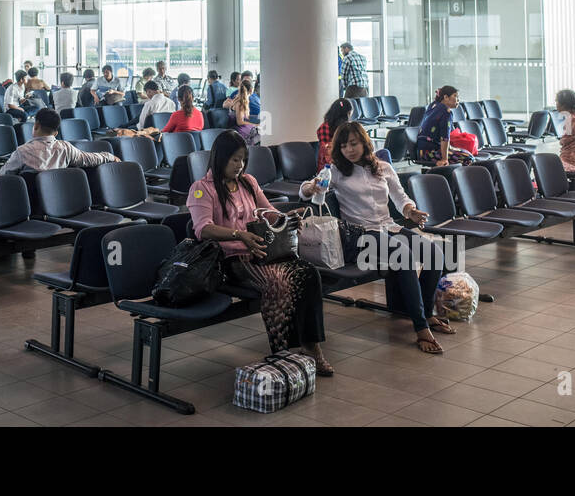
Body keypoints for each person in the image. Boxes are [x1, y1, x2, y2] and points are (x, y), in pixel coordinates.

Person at [186, 130, 332, 375]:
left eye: (243, 160)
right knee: (279, 282)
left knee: (308, 273)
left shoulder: (248, 182)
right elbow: (203, 229)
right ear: (220, 158)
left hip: (262, 252)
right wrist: (238, 234)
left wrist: (287, 218)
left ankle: (311, 347)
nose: (240, 165)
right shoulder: (201, 189)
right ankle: (284, 352)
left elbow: (269, 213)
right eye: (234, 159)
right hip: (232, 260)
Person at [306, 122, 449, 354]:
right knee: (403, 255)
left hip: (388, 227)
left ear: (364, 142)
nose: (349, 150)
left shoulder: (383, 167)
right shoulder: (337, 172)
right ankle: (421, 326)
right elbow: (307, 189)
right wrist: (311, 187)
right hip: (360, 236)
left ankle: (424, 312)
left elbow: (400, 197)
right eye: (343, 146)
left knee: (435, 254)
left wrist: (411, 211)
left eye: (353, 144)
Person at [1, 108, 117, 174]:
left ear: (36, 125)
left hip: (30, 203)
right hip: (60, 200)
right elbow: (89, 159)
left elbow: (3, 176)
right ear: (56, 133)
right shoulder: (66, 148)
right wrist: (109, 156)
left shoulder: (22, 152)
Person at [417, 86, 459, 166]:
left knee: (459, 152)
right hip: (431, 153)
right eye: (455, 96)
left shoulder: (433, 105)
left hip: (421, 152)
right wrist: (444, 159)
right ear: (446, 97)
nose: (458, 99)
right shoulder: (446, 112)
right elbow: (444, 138)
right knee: (469, 158)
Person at [316, 97, 357, 168]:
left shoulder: (347, 127)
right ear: (347, 113)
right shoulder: (325, 128)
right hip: (328, 167)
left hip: (344, 161)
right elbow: (327, 154)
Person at [230, 80, 261, 145]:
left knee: (259, 131)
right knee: (259, 134)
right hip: (238, 128)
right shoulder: (240, 103)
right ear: (251, 90)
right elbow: (240, 122)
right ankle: (253, 149)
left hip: (238, 126)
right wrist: (254, 124)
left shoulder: (239, 100)